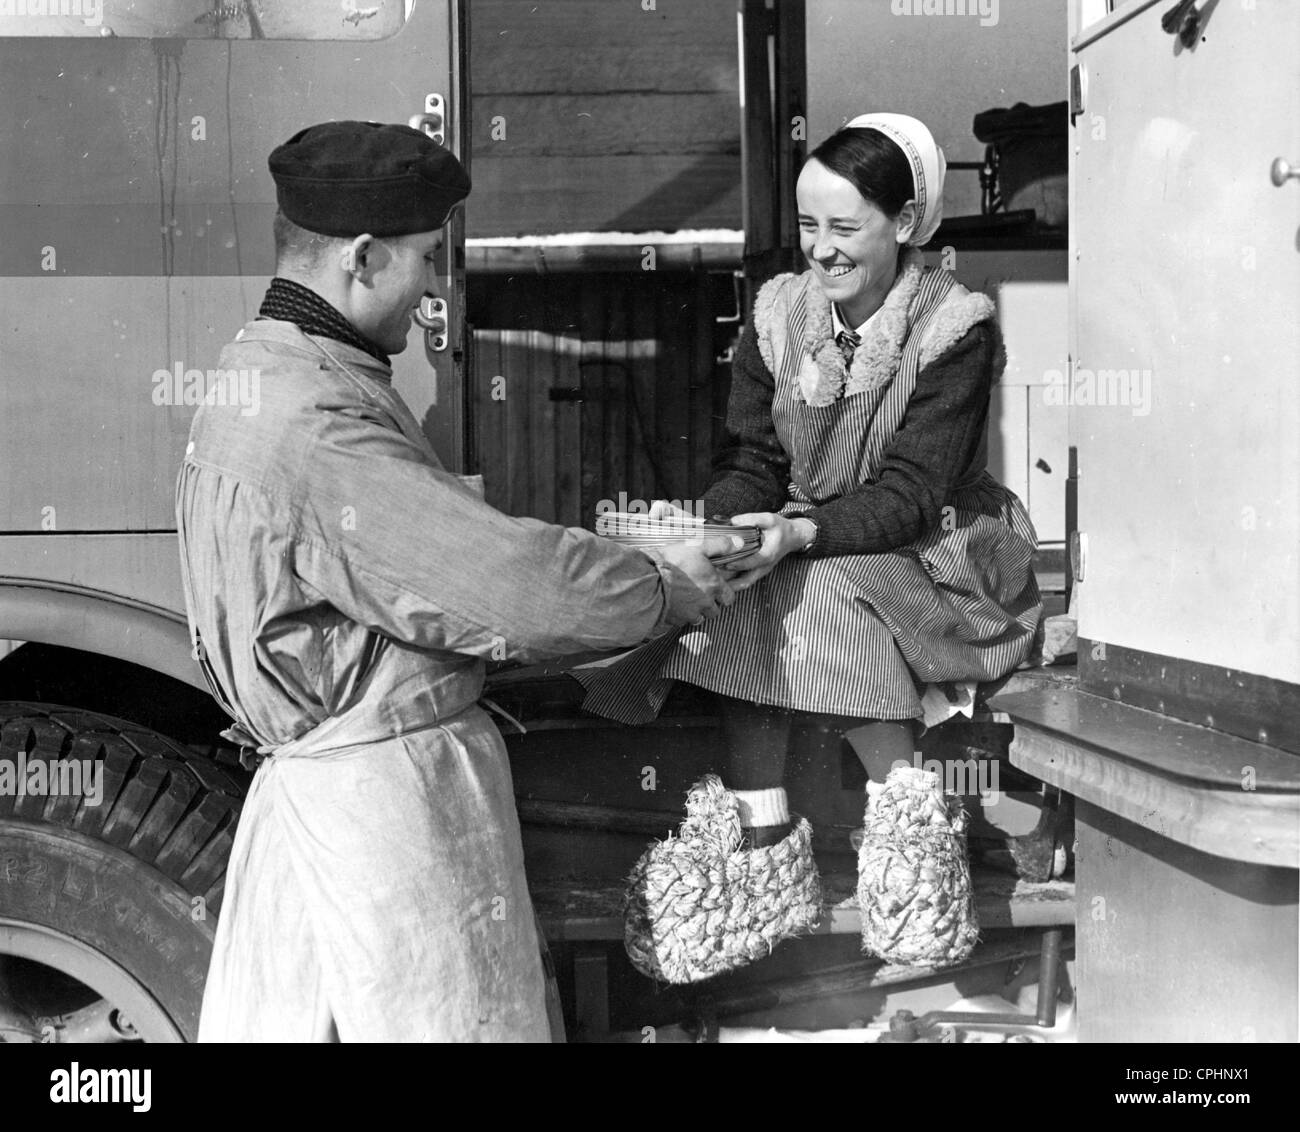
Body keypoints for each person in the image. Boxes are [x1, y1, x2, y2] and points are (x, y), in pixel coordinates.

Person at [175, 120, 735, 1040]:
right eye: (427, 260)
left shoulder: (261, 372)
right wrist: (663, 585)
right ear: (361, 256)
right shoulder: (315, 417)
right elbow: (506, 585)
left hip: (332, 806)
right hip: (384, 814)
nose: (435, 289)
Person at [585, 114, 1043, 978]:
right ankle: (760, 841)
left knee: (822, 586)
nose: (821, 251)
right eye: (807, 227)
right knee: (740, 583)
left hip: (938, 549)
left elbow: (912, 496)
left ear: (904, 225)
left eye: (844, 228)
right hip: (819, 531)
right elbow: (754, 458)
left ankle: (910, 841)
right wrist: (729, 530)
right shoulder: (778, 317)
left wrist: (796, 534)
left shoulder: (955, 328)